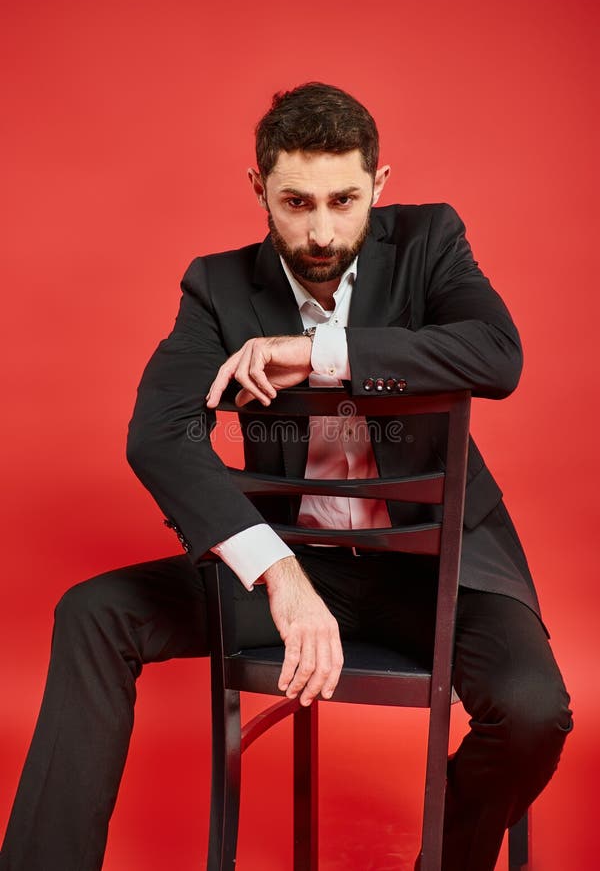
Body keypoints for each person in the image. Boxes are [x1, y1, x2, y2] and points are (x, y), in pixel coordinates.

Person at [0, 82, 571, 871]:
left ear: (380, 184)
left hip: (440, 572)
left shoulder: (431, 242)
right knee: (93, 614)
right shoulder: (217, 286)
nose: (322, 231)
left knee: (536, 712)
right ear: (258, 188)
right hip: (296, 568)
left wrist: (319, 353)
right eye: (296, 202)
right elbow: (158, 434)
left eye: (344, 200)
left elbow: (494, 353)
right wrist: (278, 571)